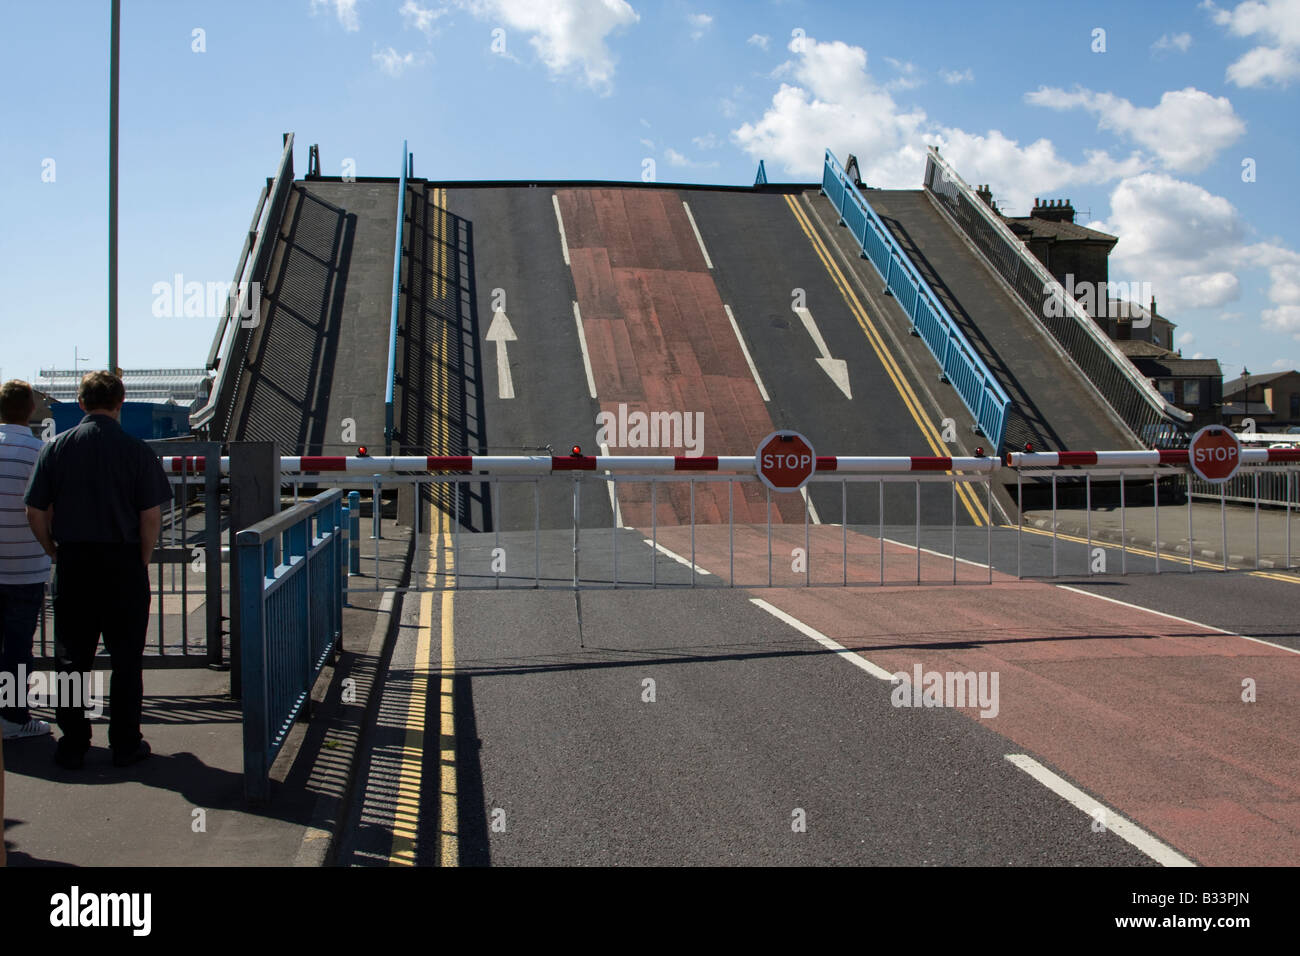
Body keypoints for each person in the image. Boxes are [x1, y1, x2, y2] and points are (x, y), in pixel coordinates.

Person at [24, 371, 171, 769]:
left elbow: (35, 511)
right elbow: (150, 515)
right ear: (120, 403)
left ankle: (73, 743)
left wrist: (53, 551)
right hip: (123, 563)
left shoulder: (56, 449)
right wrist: (141, 556)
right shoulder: (136, 450)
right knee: (126, 658)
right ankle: (126, 742)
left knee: (72, 658)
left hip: (75, 564)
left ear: (82, 403)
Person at [0, 381, 52, 740]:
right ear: (31, 409)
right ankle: (14, 719)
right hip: (26, 567)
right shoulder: (40, 451)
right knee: (17, 647)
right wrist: (52, 549)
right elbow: (48, 508)